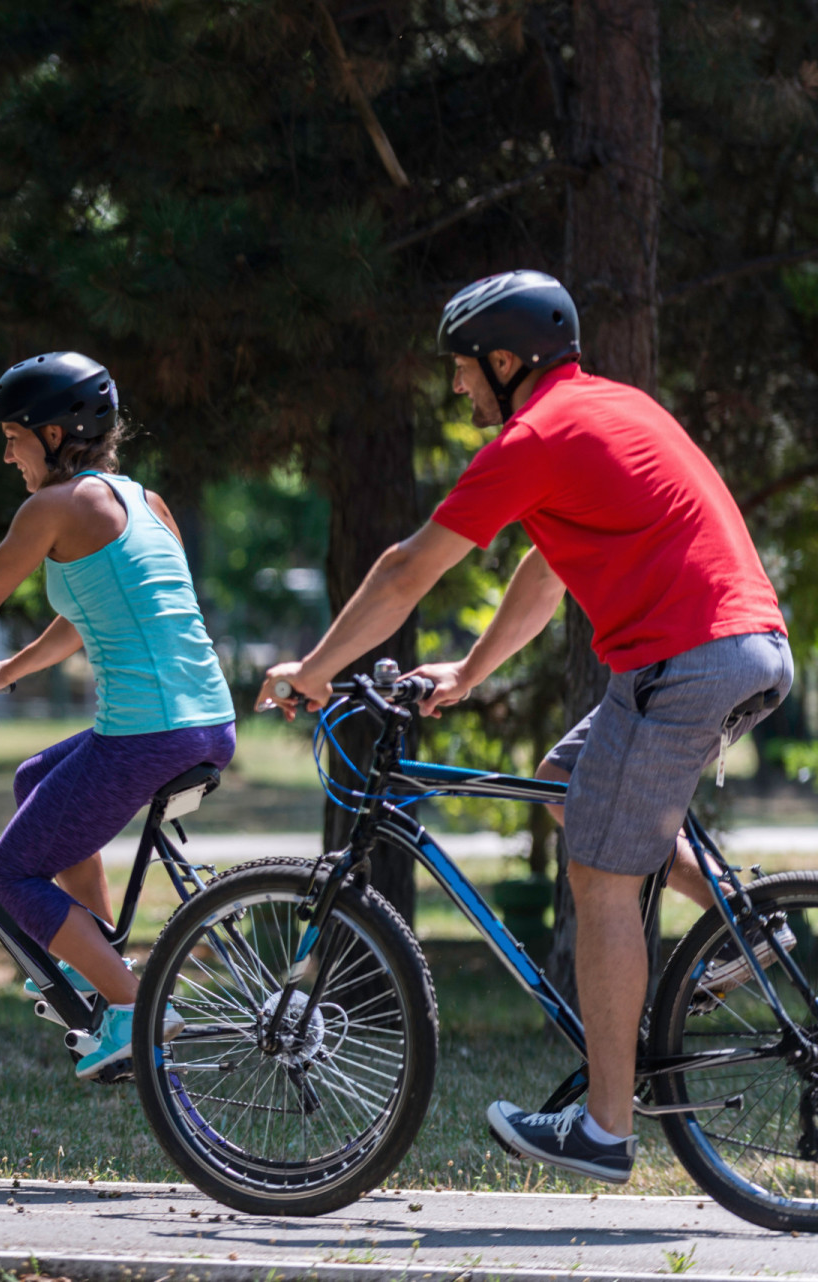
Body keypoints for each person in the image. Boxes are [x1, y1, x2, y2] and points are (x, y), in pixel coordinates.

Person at [261, 269, 792, 1184]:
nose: (458, 388)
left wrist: (314, 670)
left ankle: (604, 1130)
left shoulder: (535, 435)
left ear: (508, 361)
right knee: (564, 779)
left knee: (598, 875)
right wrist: (470, 672)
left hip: (686, 659)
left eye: (464, 371)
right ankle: (751, 928)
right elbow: (545, 577)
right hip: (731, 646)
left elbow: (402, 571)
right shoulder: (606, 411)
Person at [0, 352, 237, 1080]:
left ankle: (137, 1007)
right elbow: (92, 611)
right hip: (208, 719)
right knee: (36, 779)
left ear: (55, 435)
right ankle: (96, 963)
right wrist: (8, 669)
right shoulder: (143, 502)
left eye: (13, 437)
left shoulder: (53, 508)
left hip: (148, 732)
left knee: (13, 874)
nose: (6, 453)